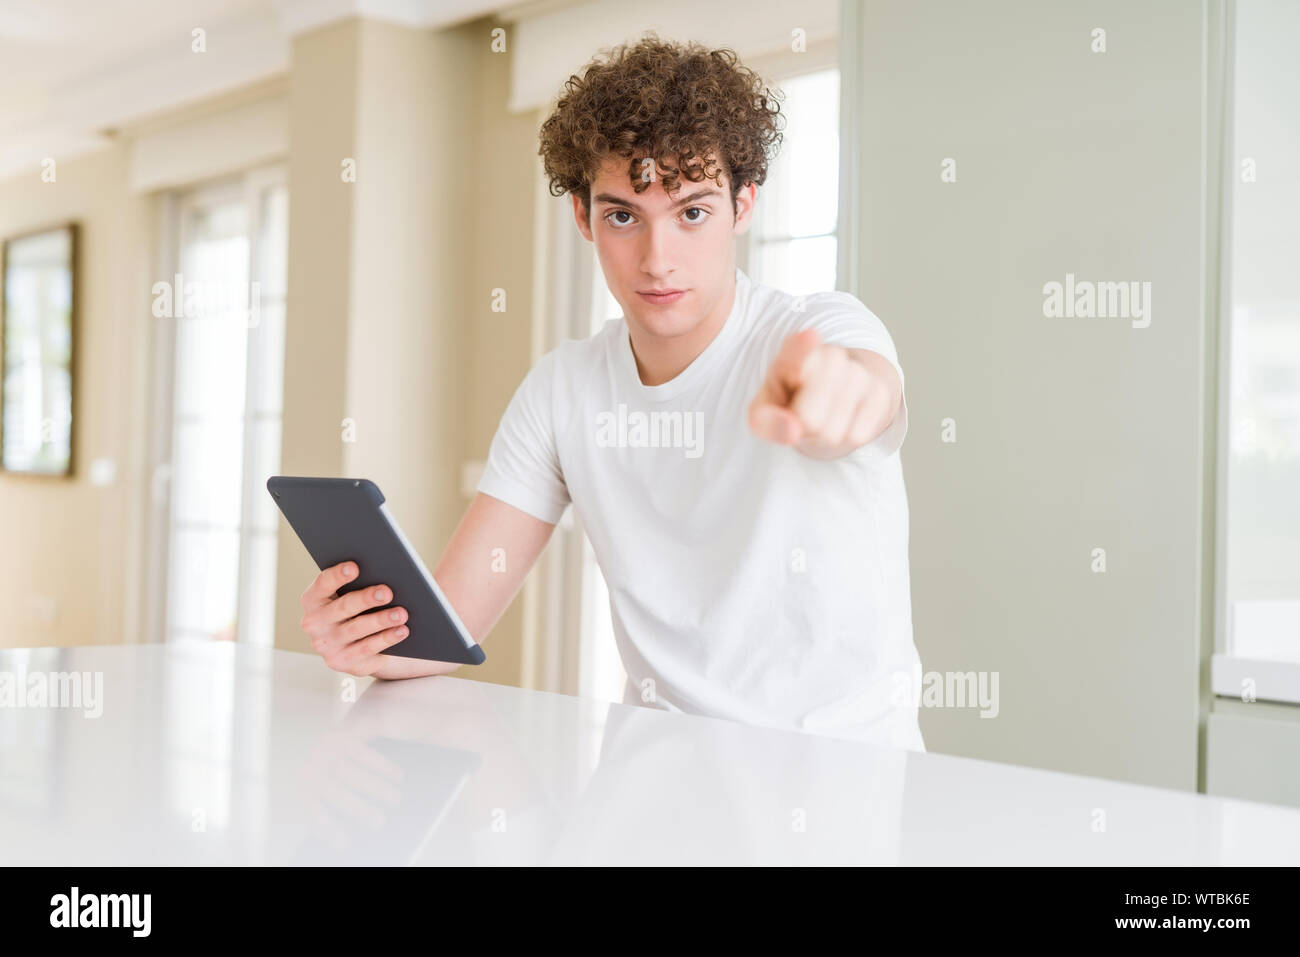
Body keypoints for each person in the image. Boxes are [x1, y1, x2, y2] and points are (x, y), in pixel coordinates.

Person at [298, 34, 925, 752]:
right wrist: (366, 636)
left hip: (847, 784)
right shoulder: (563, 390)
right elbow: (452, 625)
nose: (658, 260)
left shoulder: (821, 328)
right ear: (582, 215)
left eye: (692, 212)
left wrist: (837, 401)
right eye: (624, 215)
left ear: (743, 203)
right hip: (658, 783)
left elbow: (865, 392)